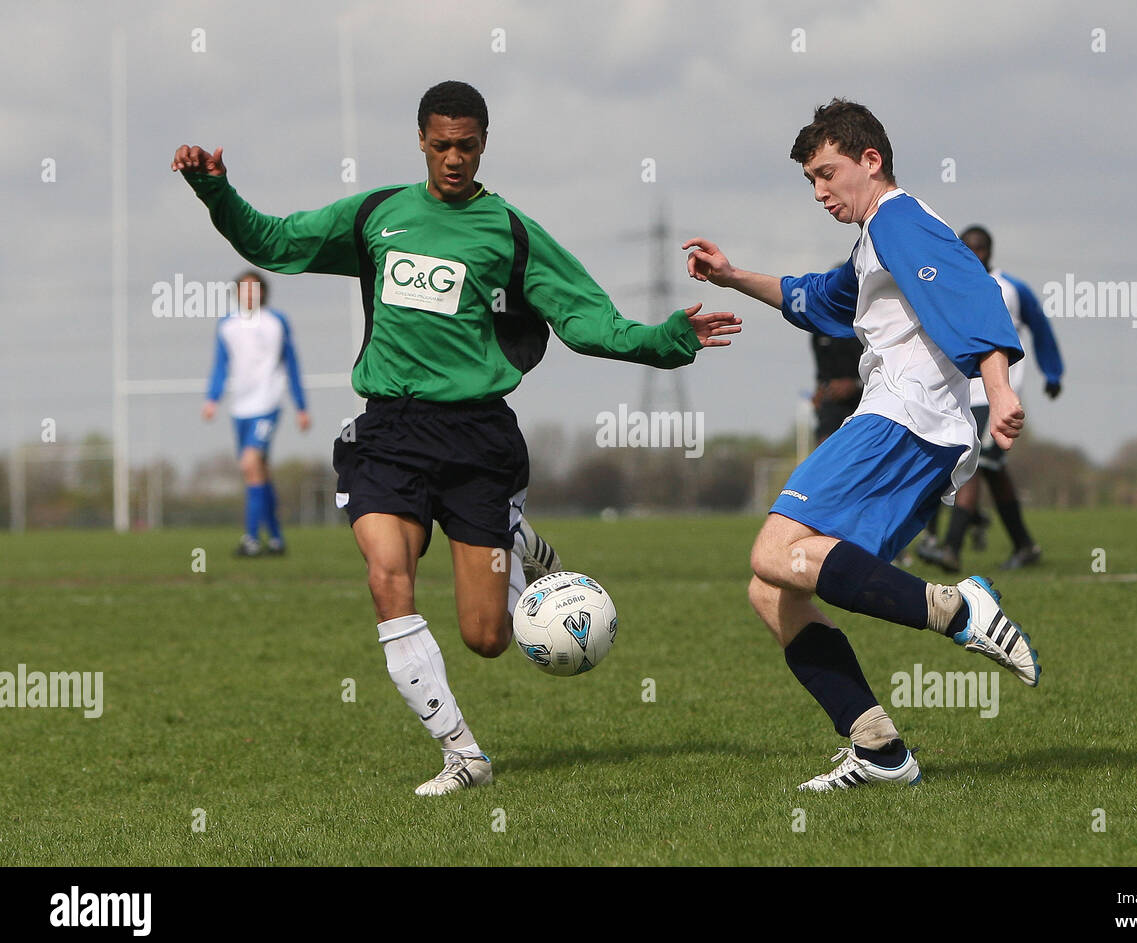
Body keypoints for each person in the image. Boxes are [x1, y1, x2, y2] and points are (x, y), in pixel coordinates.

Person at [173, 80, 740, 796]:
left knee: (487, 637)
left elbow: (586, 319)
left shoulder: (509, 232)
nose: (453, 159)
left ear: (483, 145)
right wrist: (214, 192)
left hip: (476, 440)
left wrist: (668, 339)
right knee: (387, 575)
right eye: (441, 145)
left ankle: (517, 536)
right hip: (388, 431)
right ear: (421, 141)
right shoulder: (377, 215)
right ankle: (463, 755)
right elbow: (274, 243)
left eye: (466, 146)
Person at [684, 98, 1039, 791]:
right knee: (772, 589)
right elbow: (817, 298)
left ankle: (959, 608)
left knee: (771, 550)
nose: (819, 192)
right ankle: (879, 749)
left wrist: (1000, 390)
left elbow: (972, 293)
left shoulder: (901, 219)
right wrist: (733, 278)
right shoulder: (876, 236)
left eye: (827, 173)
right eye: (810, 180)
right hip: (911, 428)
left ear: (869, 161)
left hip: (906, 420)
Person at [916, 225, 1063, 572]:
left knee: (975, 464)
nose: (975, 254)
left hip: (997, 395)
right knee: (992, 471)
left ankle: (950, 548)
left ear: (990, 251)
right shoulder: (949, 286)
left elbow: (1040, 328)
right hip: (962, 394)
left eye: (981, 248)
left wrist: (1053, 372)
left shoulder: (1011, 289)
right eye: (969, 248)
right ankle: (1025, 546)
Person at [201, 270, 310, 557]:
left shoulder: (277, 322)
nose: (249, 294)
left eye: (255, 289)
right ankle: (275, 539)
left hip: (268, 404)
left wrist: (301, 405)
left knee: (250, 463)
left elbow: (292, 364)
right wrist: (212, 398)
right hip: (240, 408)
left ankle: (251, 539)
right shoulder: (227, 325)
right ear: (236, 293)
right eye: (244, 289)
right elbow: (221, 364)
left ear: (263, 292)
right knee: (258, 472)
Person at [810, 327, 864, 445]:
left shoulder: (863, 325)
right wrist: (819, 391)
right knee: (825, 444)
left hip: (864, 401)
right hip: (832, 400)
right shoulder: (819, 330)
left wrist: (855, 384)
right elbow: (822, 372)